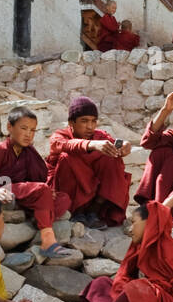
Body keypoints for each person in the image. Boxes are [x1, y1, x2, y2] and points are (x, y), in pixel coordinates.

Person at [0, 105, 72, 259]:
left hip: (22, 195)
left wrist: (45, 192)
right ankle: (48, 241)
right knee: (43, 191)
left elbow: (39, 178)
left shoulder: (28, 152)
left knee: (64, 199)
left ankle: (37, 216)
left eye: (32, 130)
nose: (28, 135)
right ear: (9, 127)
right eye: (24, 128)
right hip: (3, 192)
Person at [46, 96, 132, 228]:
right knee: (67, 157)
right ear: (71, 123)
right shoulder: (60, 135)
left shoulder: (100, 135)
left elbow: (114, 144)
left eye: (93, 121)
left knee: (111, 156)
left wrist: (126, 146)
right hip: (66, 193)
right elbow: (65, 145)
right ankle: (76, 212)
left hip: (95, 196)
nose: (90, 127)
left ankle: (94, 211)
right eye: (84, 121)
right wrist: (91, 144)